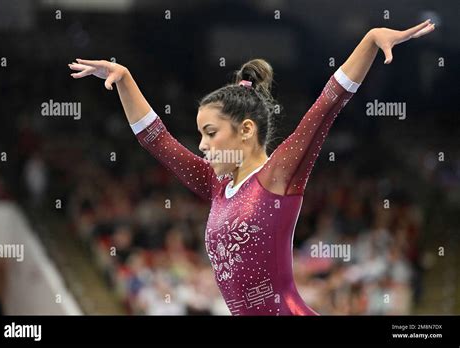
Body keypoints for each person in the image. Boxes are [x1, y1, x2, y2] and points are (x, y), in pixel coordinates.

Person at [69, 20, 435, 315]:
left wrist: (370, 40)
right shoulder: (215, 184)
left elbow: (326, 108)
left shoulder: (277, 176)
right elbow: (157, 140)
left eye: (210, 133)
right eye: (200, 134)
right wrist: (125, 80)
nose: (202, 145)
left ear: (245, 131)